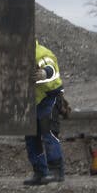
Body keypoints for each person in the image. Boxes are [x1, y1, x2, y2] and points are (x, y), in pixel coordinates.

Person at [24, 40, 66, 185]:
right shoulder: (18, 55)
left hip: (49, 97)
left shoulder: (41, 53)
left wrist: (44, 73)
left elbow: (52, 68)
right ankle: (40, 172)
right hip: (33, 102)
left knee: (49, 134)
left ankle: (56, 171)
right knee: (31, 137)